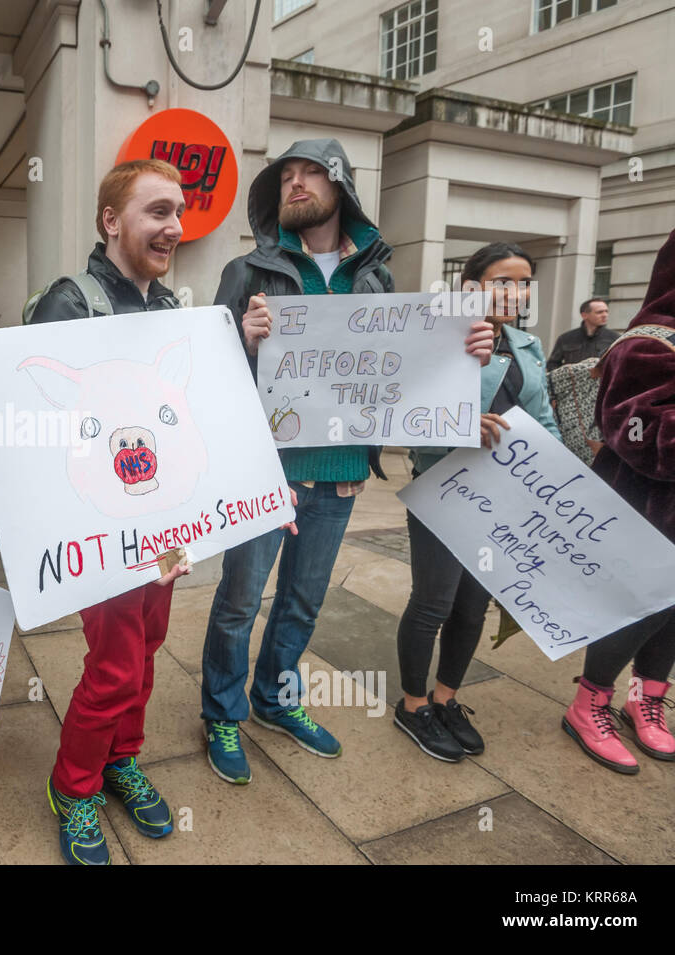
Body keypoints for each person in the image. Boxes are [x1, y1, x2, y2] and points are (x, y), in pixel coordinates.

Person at [200, 139, 494, 784]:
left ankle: (275, 700)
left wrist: (467, 349)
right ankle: (222, 710)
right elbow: (208, 372)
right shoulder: (248, 270)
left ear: (343, 188)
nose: (295, 185)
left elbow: (401, 372)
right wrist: (242, 341)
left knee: (303, 603)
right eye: (286, 177)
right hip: (263, 470)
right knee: (238, 601)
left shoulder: (375, 277)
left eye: (310, 174)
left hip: (336, 474)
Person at [28, 159, 195, 865]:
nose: (175, 226)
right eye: (157, 211)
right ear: (111, 221)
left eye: (179, 212)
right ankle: (73, 785)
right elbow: (33, 429)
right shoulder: (70, 302)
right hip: (100, 532)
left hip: (161, 529)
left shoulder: (167, 311)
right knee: (117, 665)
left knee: (146, 652)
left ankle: (121, 756)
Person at [394, 243, 560, 761]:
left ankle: (447, 699)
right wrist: (463, 426)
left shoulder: (528, 345)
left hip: (503, 497)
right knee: (434, 602)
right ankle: (413, 704)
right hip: (443, 488)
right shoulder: (441, 337)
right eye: (503, 281)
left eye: (524, 281)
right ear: (471, 286)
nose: (515, 292)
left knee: (473, 606)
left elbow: (544, 418)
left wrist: (562, 473)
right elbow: (409, 418)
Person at [562, 220, 675, 773]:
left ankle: (648, 700)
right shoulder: (649, 342)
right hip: (646, 516)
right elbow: (634, 432)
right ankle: (590, 703)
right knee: (639, 610)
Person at [547, 297, 617, 371]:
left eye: (606, 311)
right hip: (572, 381)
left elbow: (618, 364)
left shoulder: (614, 338)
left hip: (602, 382)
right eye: (599, 312)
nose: (605, 315)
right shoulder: (565, 338)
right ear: (584, 315)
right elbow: (552, 364)